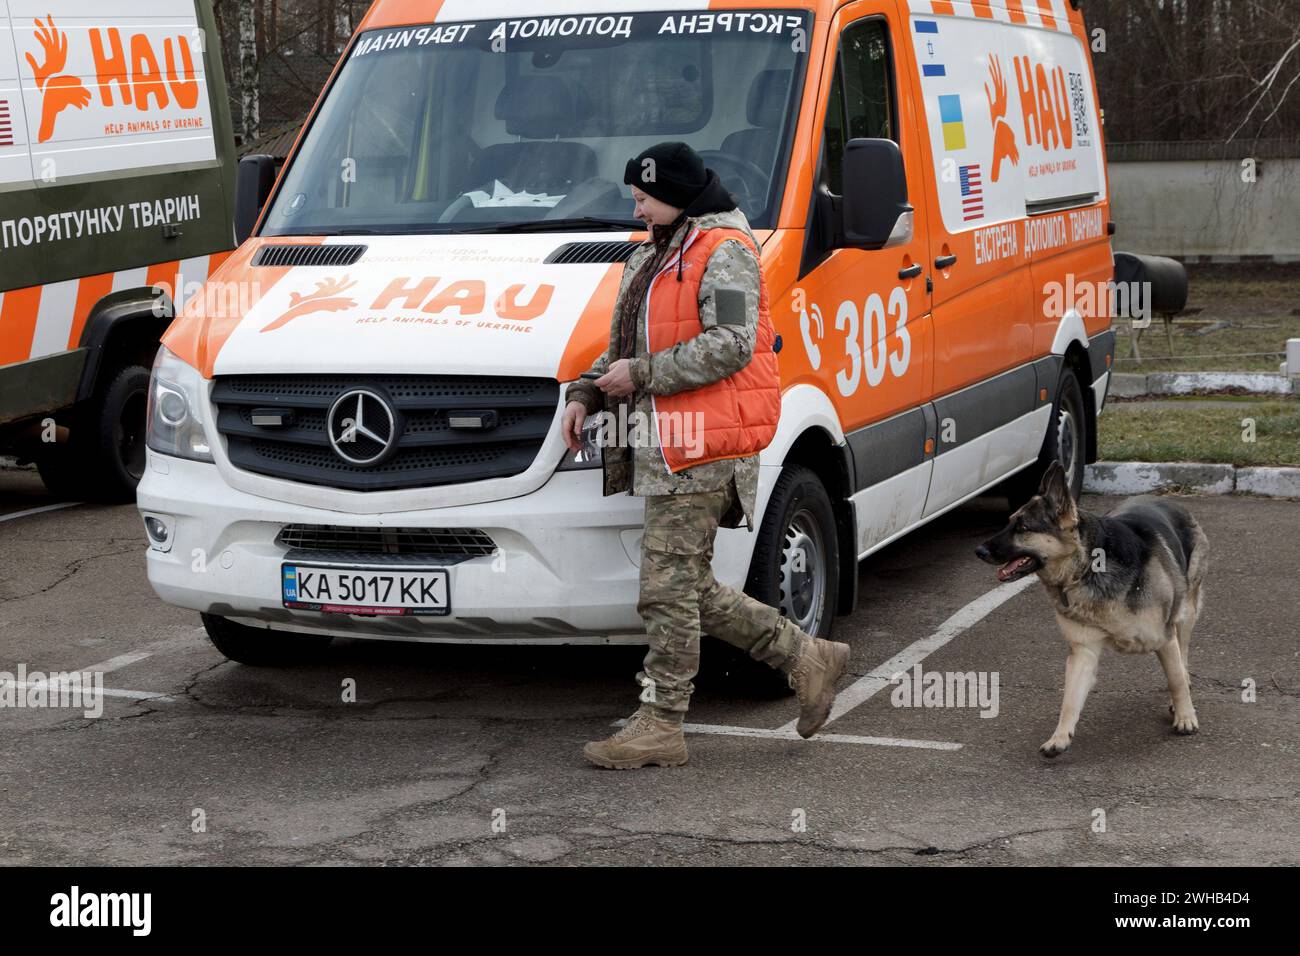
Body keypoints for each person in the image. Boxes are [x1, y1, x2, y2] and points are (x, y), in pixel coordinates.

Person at [560, 142, 851, 770]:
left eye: (643, 197)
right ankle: (807, 657)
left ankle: (662, 721)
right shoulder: (654, 252)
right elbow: (622, 346)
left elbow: (733, 344)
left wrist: (641, 375)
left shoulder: (726, 252)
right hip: (665, 444)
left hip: (701, 444)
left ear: (678, 194)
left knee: (664, 591)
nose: (635, 209)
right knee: (688, 586)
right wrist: (588, 389)